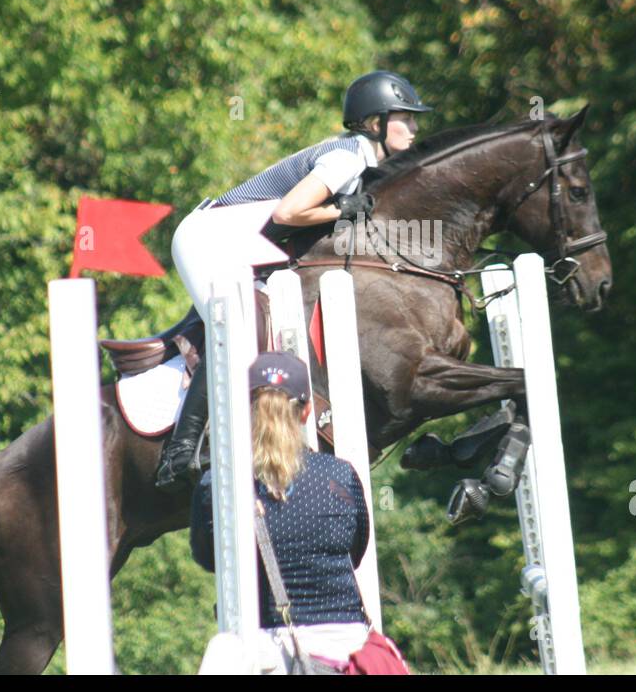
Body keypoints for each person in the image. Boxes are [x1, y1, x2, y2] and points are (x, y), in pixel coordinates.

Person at [154, 71, 432, 491]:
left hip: (248, 246)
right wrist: (341, 212)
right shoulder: (347, 158)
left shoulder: (364, 160)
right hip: (209, 239)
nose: (414, 128)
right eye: (405, 118)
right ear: (375, 122)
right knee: (235, 325)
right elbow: (288, 213)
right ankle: (179, 452)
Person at [190, 352, 405, 674]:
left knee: (222, 651)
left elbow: (210, 560)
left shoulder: (218, 485)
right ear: (306, 411)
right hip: (348, 648)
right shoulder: (340, 476)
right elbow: (355, 553)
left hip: (264, 648)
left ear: (246, 411)